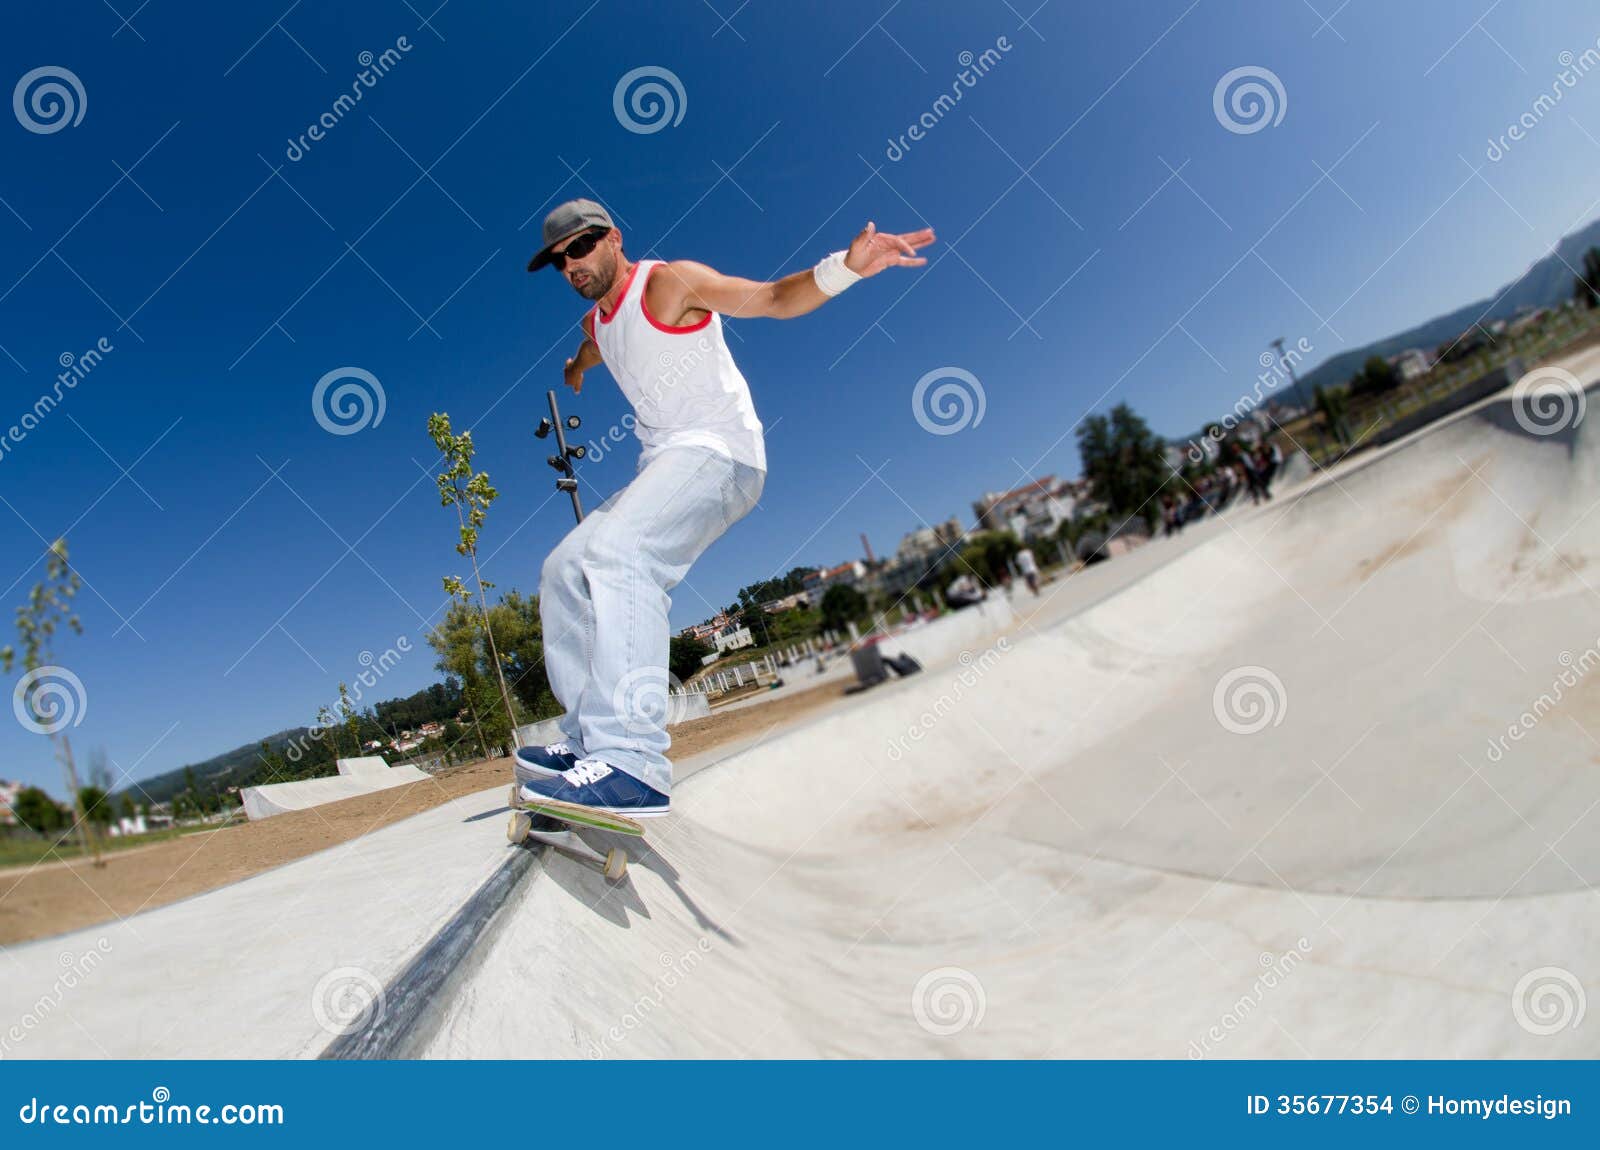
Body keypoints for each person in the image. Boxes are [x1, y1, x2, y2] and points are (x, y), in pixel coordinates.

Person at [514, 199, 935, 817]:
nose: (571, 265)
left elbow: (769, 299)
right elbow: (598, 349)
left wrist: (845, 267)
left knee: (618, 551)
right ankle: (588, 745)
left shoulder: (671, 283)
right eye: (559, 261)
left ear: (614, 239)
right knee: (562, 571)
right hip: (663, 469)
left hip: (722, 457)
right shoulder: (594, 325)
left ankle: (632, 763)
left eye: (581, 248)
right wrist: (577, 369)